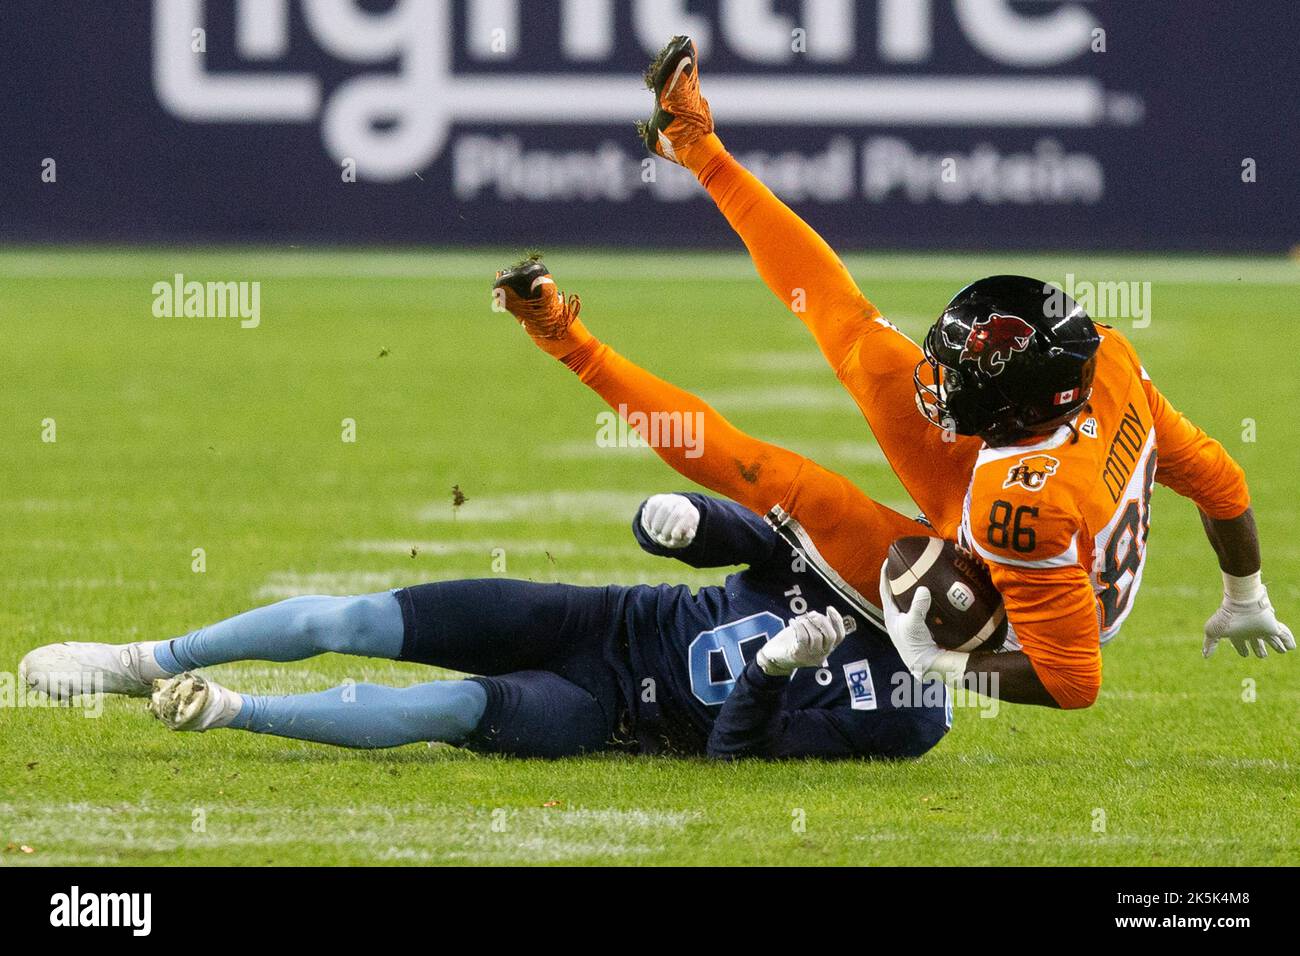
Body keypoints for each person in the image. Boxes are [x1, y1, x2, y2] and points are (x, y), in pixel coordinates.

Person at [494, 35, 1292, 712]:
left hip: (1005, 594)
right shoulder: (1104, 358)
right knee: (847, 322)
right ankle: (696, 145)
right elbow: (1221, 481)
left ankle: (571, 344)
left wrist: (941, 665)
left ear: (1014, 408)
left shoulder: (1027, 507)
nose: (941, 382)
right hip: (1018, 489)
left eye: (966, 382)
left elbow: (1074, 680)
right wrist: (1245, 596)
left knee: (785, 483)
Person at [19, 492, 949, 760]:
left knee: (449, 709)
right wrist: (674, 519)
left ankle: (227, 708)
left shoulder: (911, 717)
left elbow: (734, 759)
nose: (916, 582)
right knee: (359, 614)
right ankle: (142, 659)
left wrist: (773, 672)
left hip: (608, 710)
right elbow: (731, 532)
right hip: (598, 616)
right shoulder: (849, 556)